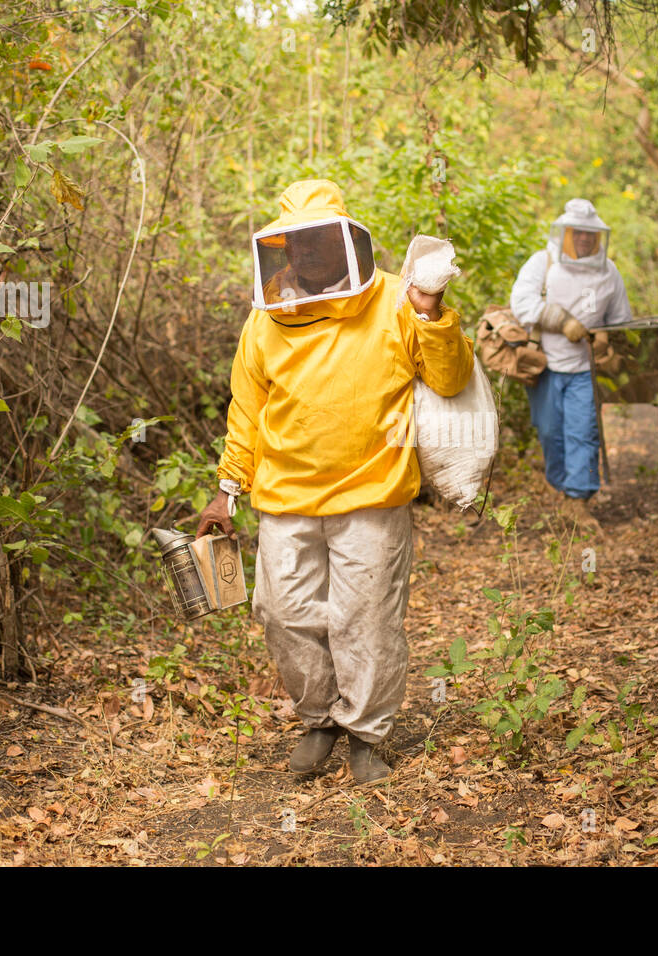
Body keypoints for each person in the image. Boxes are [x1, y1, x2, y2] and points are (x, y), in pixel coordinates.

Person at [195, 180, 474, 784]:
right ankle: (319, 718)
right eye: (298, 244)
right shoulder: (265, 317)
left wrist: (432, 315)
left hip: (373, 495)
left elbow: (450, 381)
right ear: (283, 250)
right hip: (285, 495)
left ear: (346, 239)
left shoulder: (397, 299)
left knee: (366, 616)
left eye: (320, 240)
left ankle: (367, 735)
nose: (309, 253)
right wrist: (227, 488)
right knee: (282, 611)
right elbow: (246, 408)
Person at [510, 199, 632, 527]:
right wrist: (562, 321)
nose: (582, 238)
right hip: (545, 367)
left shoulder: (609, 272)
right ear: (564, 233)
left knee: (583, 432)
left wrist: (606, 336)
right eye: (576, 232)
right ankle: (562, 489)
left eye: (589, 233)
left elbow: (621, 320)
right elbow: (521, 303)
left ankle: (578, 499)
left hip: (585, 371)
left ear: (598, 236)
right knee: (550, 433)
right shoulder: (543, 262)